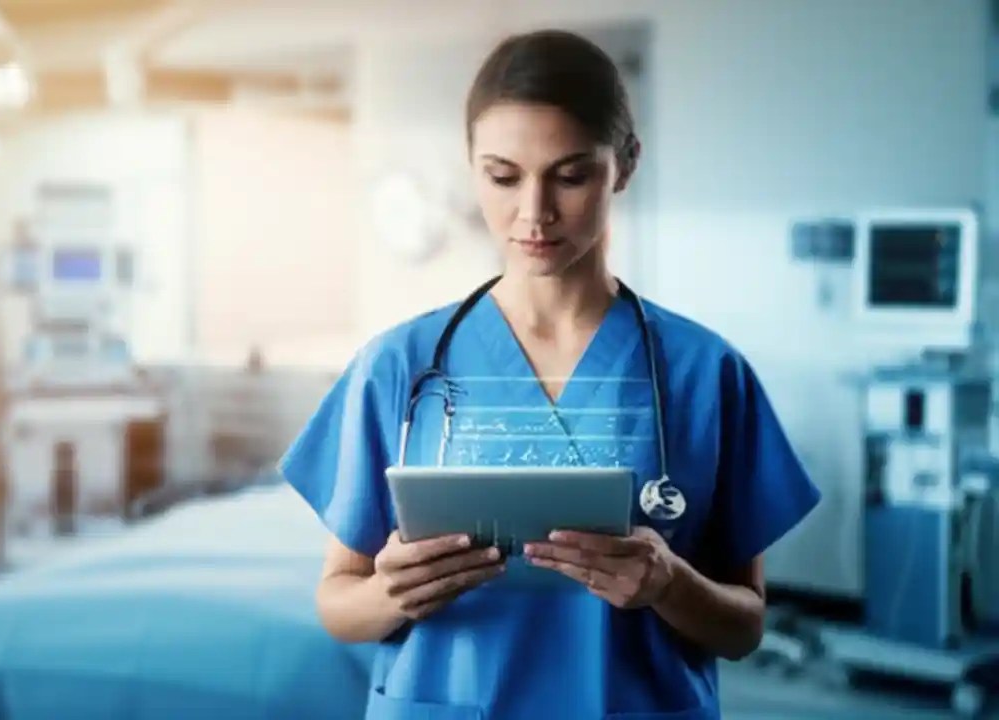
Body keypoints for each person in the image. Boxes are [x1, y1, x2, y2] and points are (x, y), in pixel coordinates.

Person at [278, 29, 820, 720]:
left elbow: (743, 627)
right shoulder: (398, 366)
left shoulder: (704, 373)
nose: (533, 213)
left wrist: (669, 584)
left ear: (624, 165)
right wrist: (391, 593)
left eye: (569, 176)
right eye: (503, 177)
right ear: (472, 169)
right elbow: (338, 603)